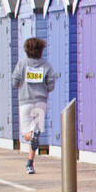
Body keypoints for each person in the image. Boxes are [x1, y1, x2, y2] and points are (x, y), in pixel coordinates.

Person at [12, 37, 58, 175]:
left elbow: (15, 81)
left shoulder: (22, 64)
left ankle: (31, 138)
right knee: (36, 130)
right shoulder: (46, 65)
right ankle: (30, 163)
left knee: (26, 133)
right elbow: (51, 85)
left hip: (25, 101)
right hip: (41, 102)